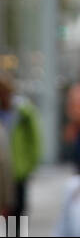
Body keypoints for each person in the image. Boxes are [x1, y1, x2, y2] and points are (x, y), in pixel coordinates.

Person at [0, 77, 43, 217]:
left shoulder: (22, 111)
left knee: (19, 209)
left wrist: (30, 163)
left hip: (18, 168)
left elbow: (35, 138)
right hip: (3, 170)